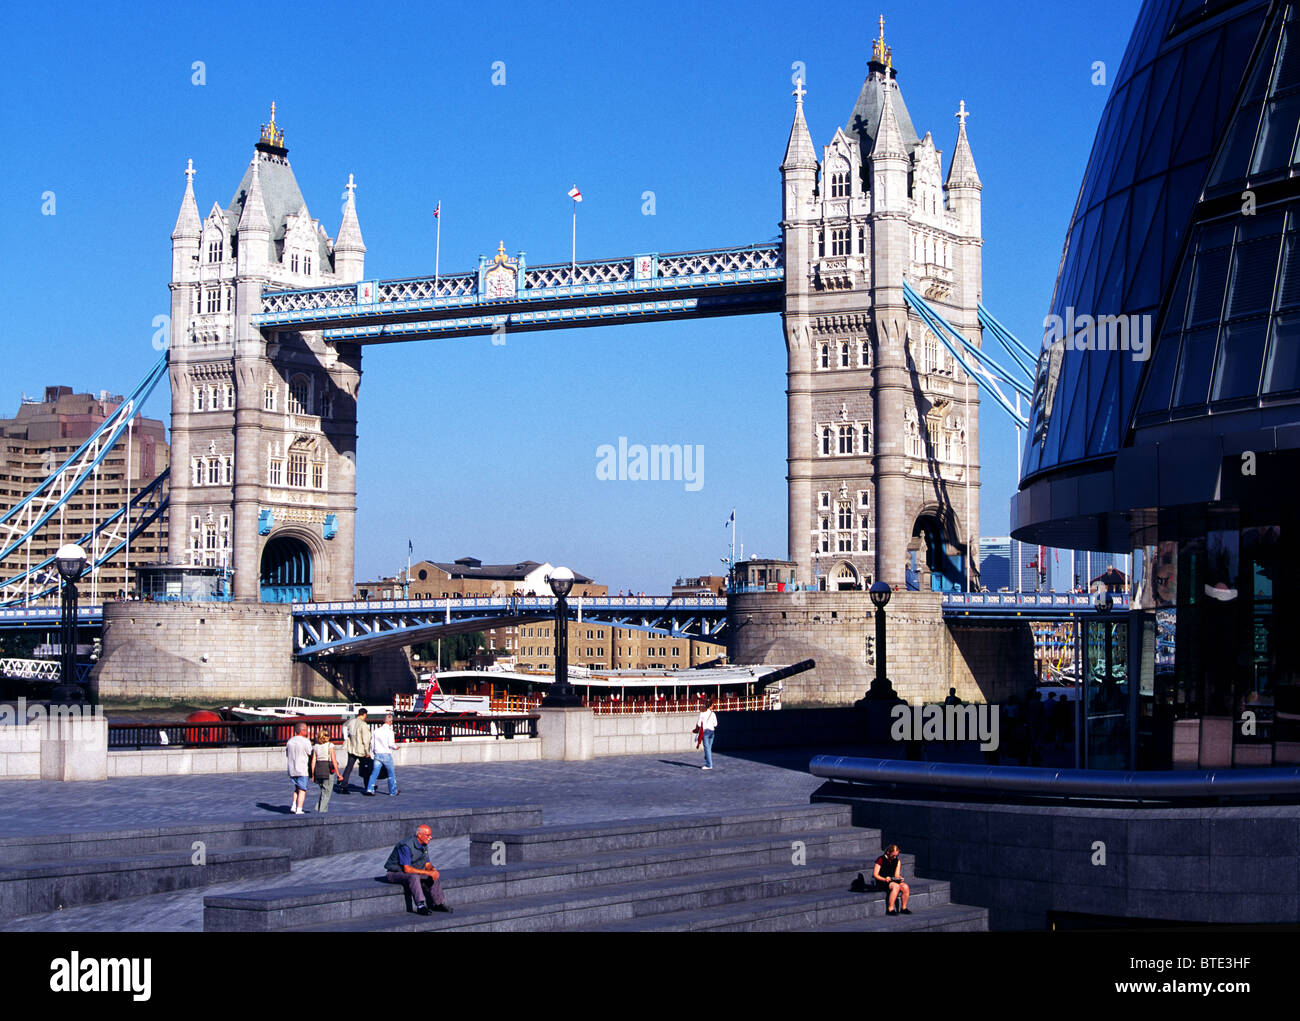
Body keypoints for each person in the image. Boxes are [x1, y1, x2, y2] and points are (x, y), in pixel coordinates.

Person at [384, 824, 453, 915]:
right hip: (394, 873)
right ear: (419, 835)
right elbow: (407, 869)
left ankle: (438, 904)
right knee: (414, 877)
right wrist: (427, 872)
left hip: (411, 871)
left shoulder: (424, 844)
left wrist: (432, 870)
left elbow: (427, 864)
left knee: (432, 875)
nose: (430, 837)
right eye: (428, 835)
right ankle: (420, 906)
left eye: (430, 835)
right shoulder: (406, 846)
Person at [365, 711, 400, 796]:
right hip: (386, 754)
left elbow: (372, 743)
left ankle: (370, 789)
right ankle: (393, 791)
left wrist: (373, 751)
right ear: (391, 722)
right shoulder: (390, 732)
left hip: (377, 754)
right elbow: (391, 744)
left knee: (374, 773)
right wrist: (396, 747)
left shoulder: (376, 731)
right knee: (391, 774)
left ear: (384, 721)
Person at [338, 708, 372, 793]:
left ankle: (343, 785)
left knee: (349, 767)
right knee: (366, 768)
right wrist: (367, 752)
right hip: (361, 750)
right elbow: (366, 740)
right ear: (364, 715)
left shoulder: (350, 721)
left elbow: (344, 726)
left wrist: (346, 738)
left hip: (352, 748)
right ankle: (368, 786)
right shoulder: (363, 725)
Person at [309, 726, 342, 813]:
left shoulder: (315, 746)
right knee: (327, 792)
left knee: (323, 791)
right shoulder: (330, 745)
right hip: (327, 769)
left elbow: (313, 761)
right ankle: (321, 811)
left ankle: (319, 808)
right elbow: (334, 760)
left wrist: (312, 775)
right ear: (327, 737)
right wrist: (338, 774)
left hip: (318, 769)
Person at [872, 844, 911, 915]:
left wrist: (900, 878)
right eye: (893, 855)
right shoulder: (880, 859)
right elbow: (875, 874)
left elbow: (896, 875)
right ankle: (890, 909)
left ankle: (904, 908)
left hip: (891, 880)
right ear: (888, 852)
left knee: (905, 886)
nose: (895, 857)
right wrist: (884, 879)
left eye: (896, 855)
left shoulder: (897, 861)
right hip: (882, 881)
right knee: (896, 886)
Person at [285, 721, 312, 815]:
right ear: (302, 730)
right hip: (302, 769)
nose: (307, 732)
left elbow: (287, 754)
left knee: (296, 788)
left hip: (292, 769)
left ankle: (293, 805)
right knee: (302, 790)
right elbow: (310, 753)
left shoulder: (290, 741)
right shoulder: (305, 741)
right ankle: (299, 809)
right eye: (306, 730)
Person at [695, 697, 718, 770]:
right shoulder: (713, 713)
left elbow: (699, 724)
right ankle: (707, 757)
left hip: (705, 732)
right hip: (712, 732)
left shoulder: (702, 713)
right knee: (709, 748)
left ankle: (709, 764)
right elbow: (715, 724)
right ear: (710, 706)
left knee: (707, 748)